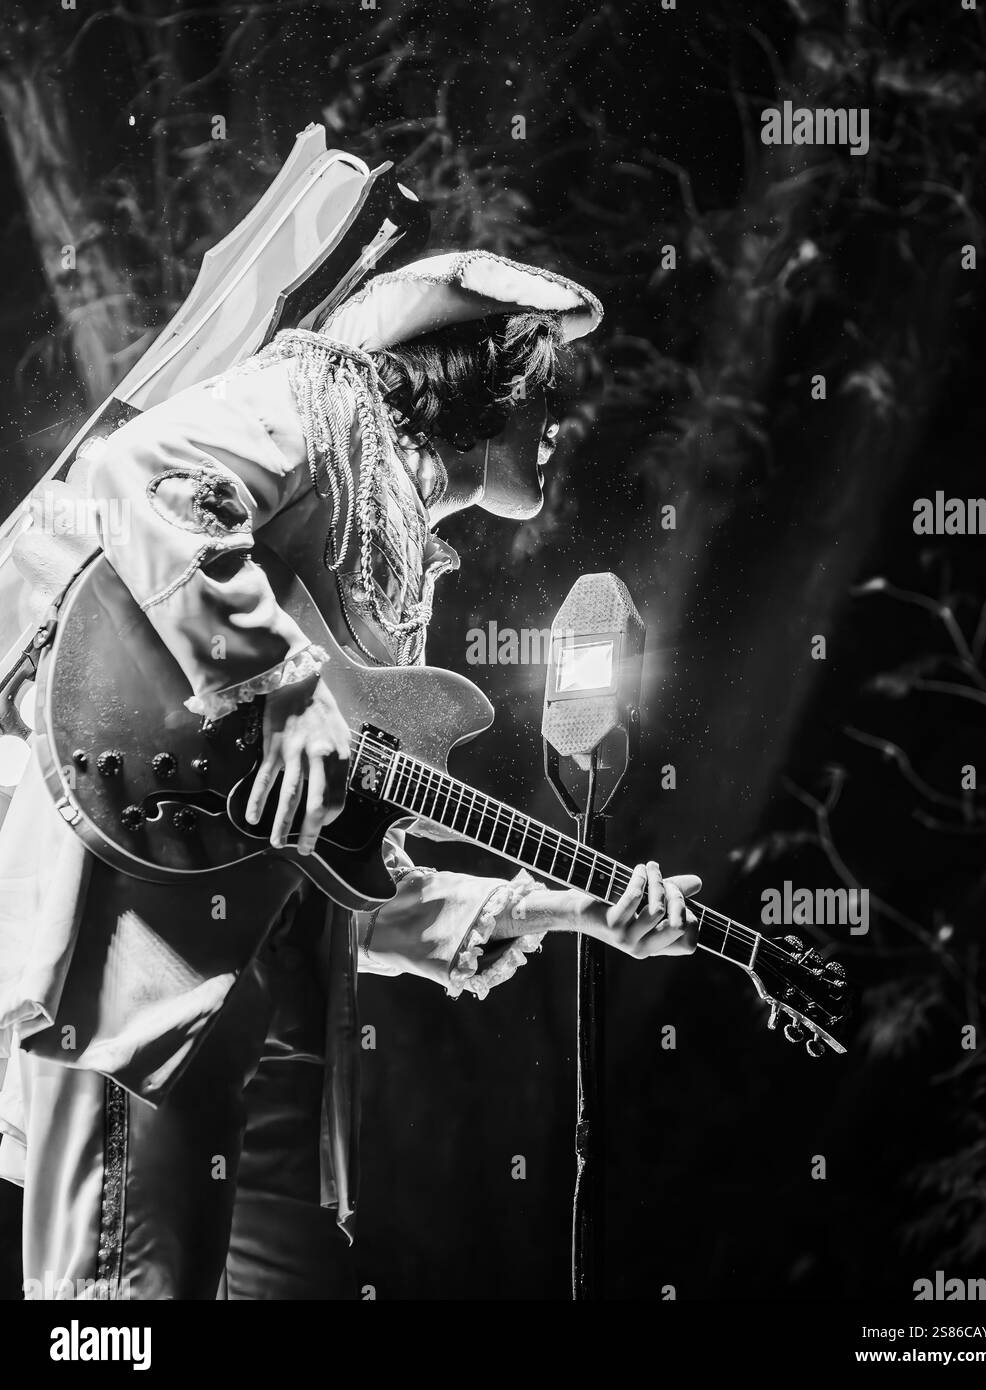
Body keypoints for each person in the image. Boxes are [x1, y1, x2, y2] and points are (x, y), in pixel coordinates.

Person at [0, 250, 700, 1300]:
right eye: (548, 385)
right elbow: (136, 474)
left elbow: (344, 873)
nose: (563, 422)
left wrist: (568, 910)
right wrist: (278, 682)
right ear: (479, 372)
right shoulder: (321, 399)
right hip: (144, 974)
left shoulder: (389, 552)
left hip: (256, 1025)